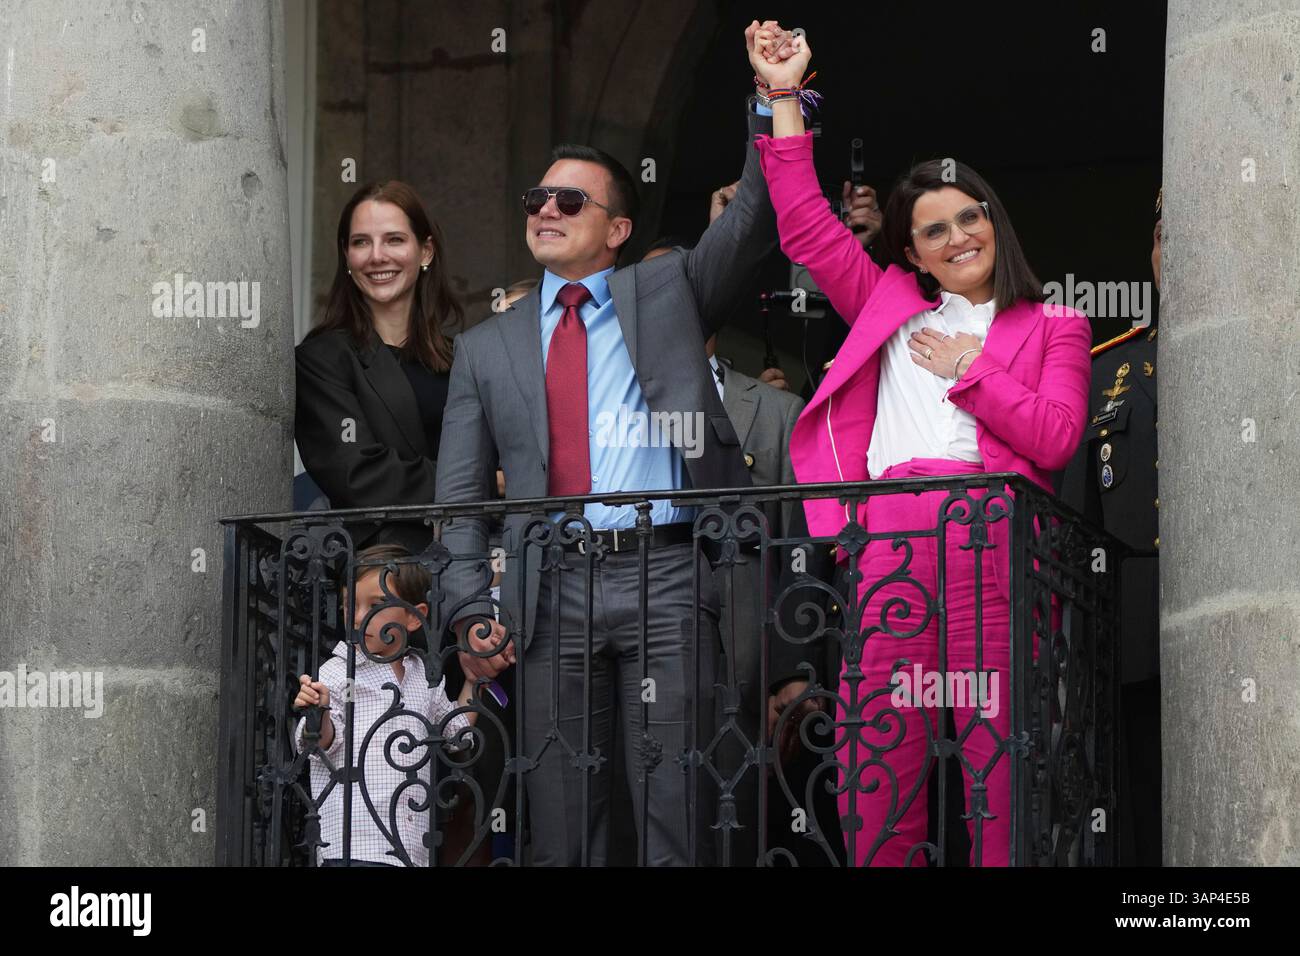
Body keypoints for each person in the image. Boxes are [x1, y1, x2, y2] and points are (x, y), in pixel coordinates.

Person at [434, 22, 783, 866]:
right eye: (537, 200)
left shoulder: (665, 288)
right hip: (551, 582)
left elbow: (755, 220)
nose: (546, 212)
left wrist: (775, 102)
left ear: (618, 229)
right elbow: (459, 498)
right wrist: (470, 607)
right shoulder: (488, 346)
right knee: (561, 816)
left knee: (675, 804)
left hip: (667, 569)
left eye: (570, 202)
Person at [748, 25, 1091, 866]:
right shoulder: (887, 307)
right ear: (911, 253)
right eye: (933, 230)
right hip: (889, 537)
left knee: (997, 761)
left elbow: (1055, 434)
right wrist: (785, 98)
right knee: (881, 765)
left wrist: (971, 372)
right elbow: (804, 227)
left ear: (993, 221)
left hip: (990, 542)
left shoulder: (1055, 323)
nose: (957, 237)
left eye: (969, 217)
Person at [292, 544, 512, 867]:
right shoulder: (338, 671)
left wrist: (472, 680)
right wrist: (317, 710)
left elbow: (455, 732)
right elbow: (321, 741)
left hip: (408, 850)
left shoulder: (421, 674)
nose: (356, 617)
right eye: (347, 605)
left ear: (414, 617)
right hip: (354, 847)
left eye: (374, 605)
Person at [1059, 189, 1162, 865]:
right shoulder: (1106, 372)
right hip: (1137, 643)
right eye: (1163, 235)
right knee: (1146, 826)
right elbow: (1076, 526)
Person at [295, 180, 465, 554]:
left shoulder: (463, 358)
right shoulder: (322, 358)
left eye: (394, 240)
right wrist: (479, 482)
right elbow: (357, 473)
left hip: (473, 568)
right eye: (361, 242)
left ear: (426, 251)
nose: (376, 256)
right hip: (380, 574)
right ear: (346, 256)